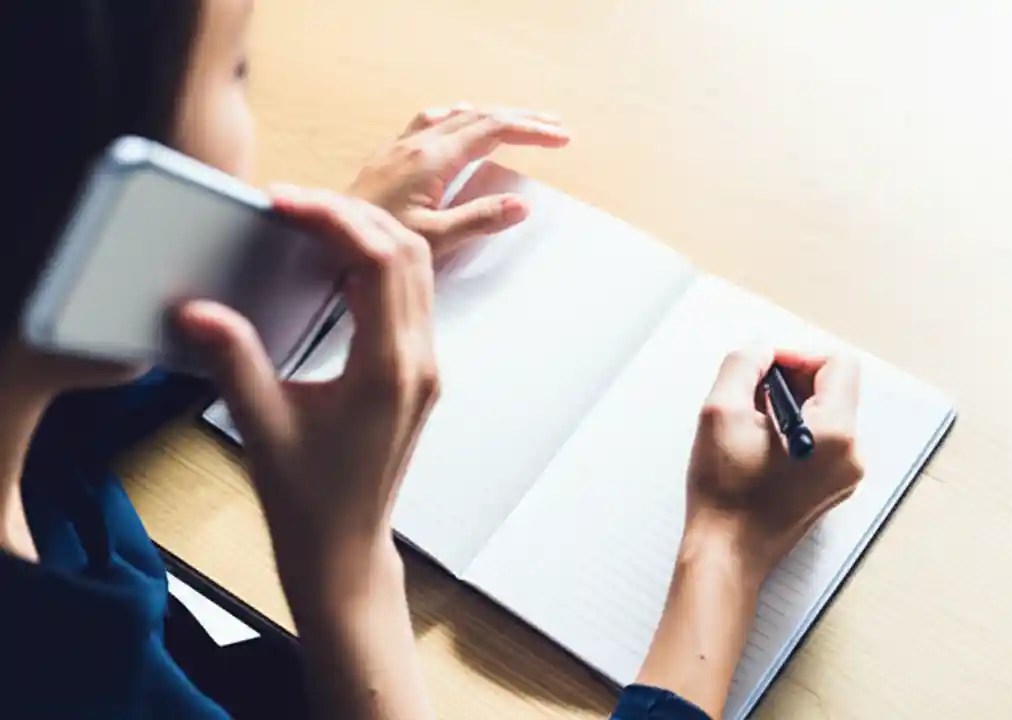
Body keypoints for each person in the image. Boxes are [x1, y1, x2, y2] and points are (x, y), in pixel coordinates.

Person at [0, 2, 864, 719]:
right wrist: (724, 550)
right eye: (236, 72)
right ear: (101, 172)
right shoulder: (74, 682)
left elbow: (51, 415)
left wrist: (291, 275)